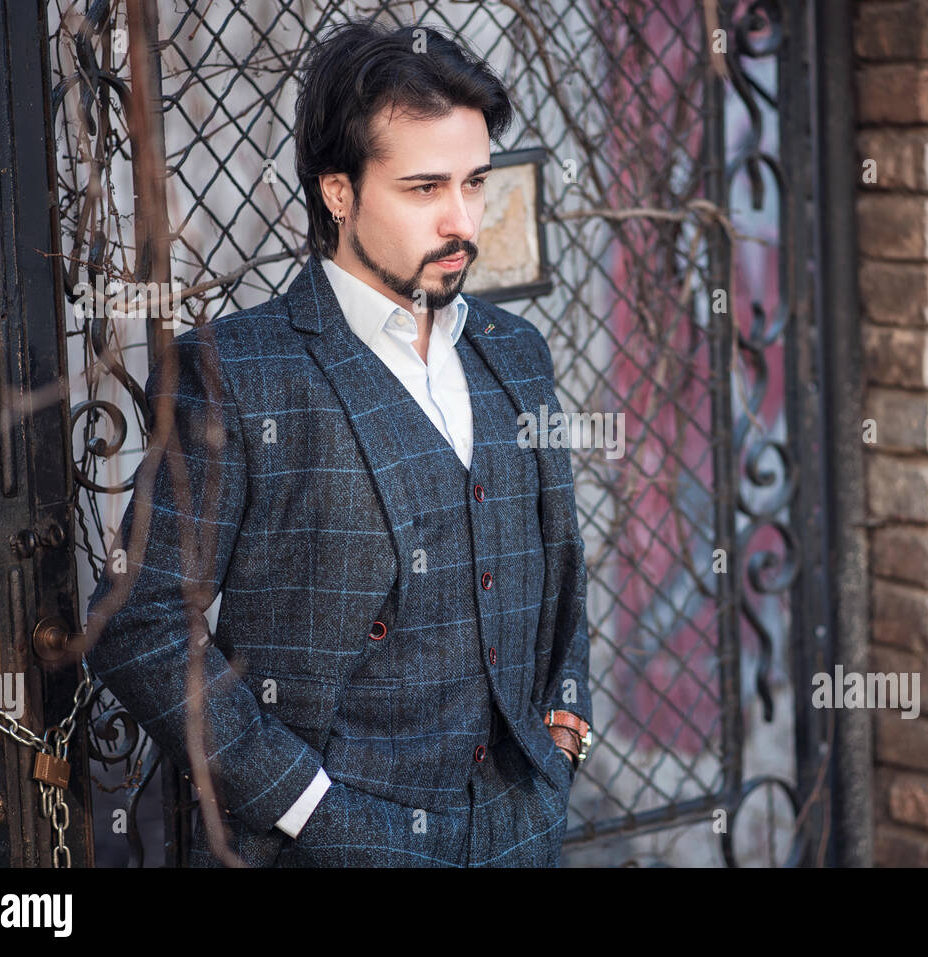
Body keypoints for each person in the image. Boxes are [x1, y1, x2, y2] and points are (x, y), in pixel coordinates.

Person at [84, 17, 593, 867]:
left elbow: (563, 570)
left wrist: (565, 731)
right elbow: (140, 623)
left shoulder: (516, 354)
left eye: (475, 182)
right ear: (338, 191)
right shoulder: (239, 372)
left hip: (521, 834)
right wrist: (305, 808)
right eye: (425, 189)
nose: (462, 221)